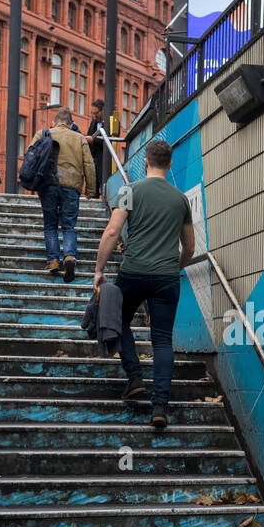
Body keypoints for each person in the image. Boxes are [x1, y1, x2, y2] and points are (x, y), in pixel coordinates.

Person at [93, 139, 194, 429]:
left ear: (146, 162)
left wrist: (99, 270)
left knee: (119, 322)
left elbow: (112, 231)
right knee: (162, 340)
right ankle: (159, 407)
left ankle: (135, 377)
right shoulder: (180, 199)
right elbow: (188, 248)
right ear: (170, 164)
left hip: (133, 273)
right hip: (166, 279)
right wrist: (172, 270)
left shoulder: (129, 191)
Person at [26, 107, 96, 281]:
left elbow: (30, 157)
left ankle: (53, 261)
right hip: (72, 186)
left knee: (50, 224)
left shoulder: (42, 134)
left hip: (48, 184)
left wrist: (33, 182)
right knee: (68, 225)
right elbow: (89, 164)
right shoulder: (80, 138)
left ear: (54, 122)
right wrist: (91, 189)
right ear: (71, 124)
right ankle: (70, 257)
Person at [85, 99, 108, 200]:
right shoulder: (93, 123)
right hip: (93, 158)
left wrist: (92, 140)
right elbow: (89, 135)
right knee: (93, 184)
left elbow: (108, 141)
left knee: (103, 183)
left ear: (103, 110)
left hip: (104, 159)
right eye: (92, 113)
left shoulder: (111, 122)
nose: (94, 116)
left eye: (96, 113)